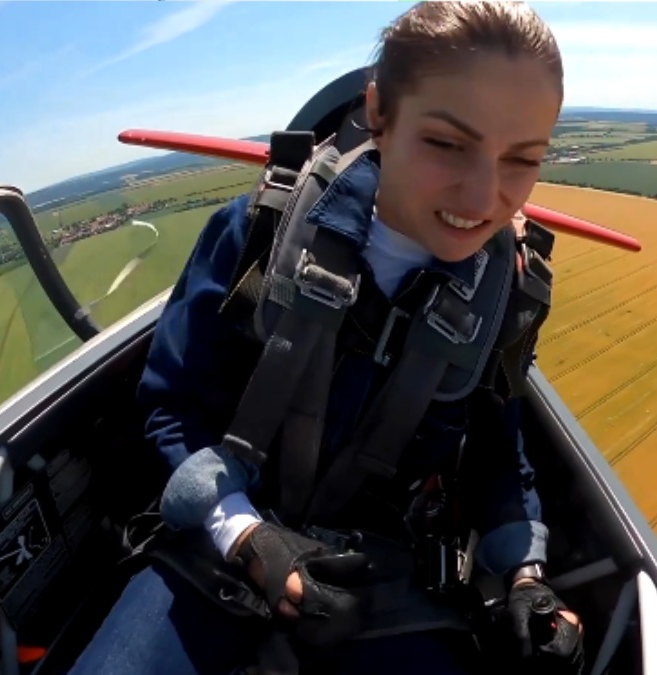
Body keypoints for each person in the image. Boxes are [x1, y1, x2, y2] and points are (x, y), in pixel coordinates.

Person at [67, 2, 584, 674]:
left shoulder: (501, 296)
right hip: (220, 546)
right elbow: (175, 407)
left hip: (382, 581)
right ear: (378, 113)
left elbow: (496, 454)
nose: (486, 195)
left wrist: (527, 581)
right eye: (447, 144)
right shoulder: (258, 237)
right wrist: (246, 535)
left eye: (522, 159)